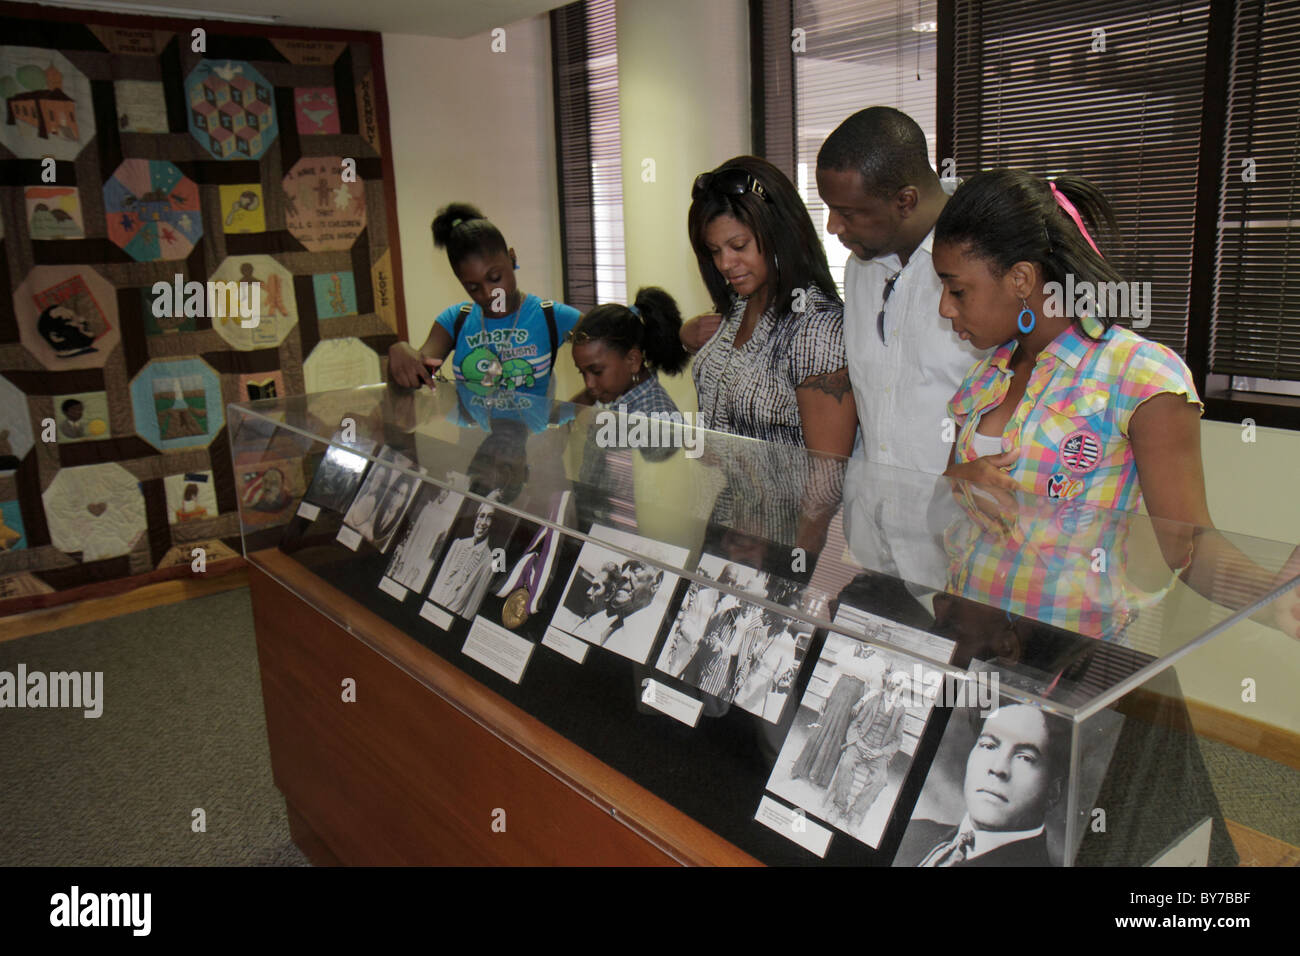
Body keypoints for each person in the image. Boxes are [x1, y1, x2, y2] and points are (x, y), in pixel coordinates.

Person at [933, 168, 1300, 638]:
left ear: (1021, 279)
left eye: (957, 289)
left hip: (1067, 658)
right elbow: (944, 497)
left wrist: (1272, 598)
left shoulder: (1139, 376)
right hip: (966, 638)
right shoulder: (986, 375)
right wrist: (957, 480)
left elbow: (1187, 545)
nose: (945, 307)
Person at [815, 106, 989, 474]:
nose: (833, 227)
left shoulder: (989, 257)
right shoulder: (860, 265)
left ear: (905, 201)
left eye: (847, 213)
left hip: (952, 519)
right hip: (871, 515)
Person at [686, 155, 856, 455]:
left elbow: (827, 476)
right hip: (722, 499)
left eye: (739, 246)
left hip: (783, 504)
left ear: (779, 235)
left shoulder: (817, 328)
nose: (725, 264)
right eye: (714, 251)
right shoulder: (740, 304)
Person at [387, 203, 580, 395]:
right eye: (473, 287)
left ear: (511, 257)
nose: (488, 294)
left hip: (533, 426)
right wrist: (400, 353)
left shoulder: (550, 315)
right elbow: (413, 377)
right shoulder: (455, 320)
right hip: (472, 426)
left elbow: (608, 347)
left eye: (495, 278)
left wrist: (578, 409)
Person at [895, 703, 1065, 866]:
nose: (998, 768)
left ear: (1053, 792)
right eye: (989, 746)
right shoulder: (911, 832)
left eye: (1025, 758)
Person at [826, 669, 907, 829]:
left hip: (879, 753)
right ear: (888, 683)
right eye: (892, 684)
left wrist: (881, 752)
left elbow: (897, 741)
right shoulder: (874, 699)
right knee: (846, 764)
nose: (894, 688)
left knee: (880, 779)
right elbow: (855, 724)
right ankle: (839, 806)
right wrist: (859, 743)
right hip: (861, 743)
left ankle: (855, 814)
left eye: (898, 685)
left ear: (901, 688)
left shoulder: (901, 710)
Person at [428, 493, 498, 618]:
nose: (482, 523)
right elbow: (439, 579)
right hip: (432, 607)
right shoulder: (458, 544)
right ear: (476, 517)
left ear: (494, 524)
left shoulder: (490, 562)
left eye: (489, 518)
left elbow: (473, 605)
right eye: (481, 516)